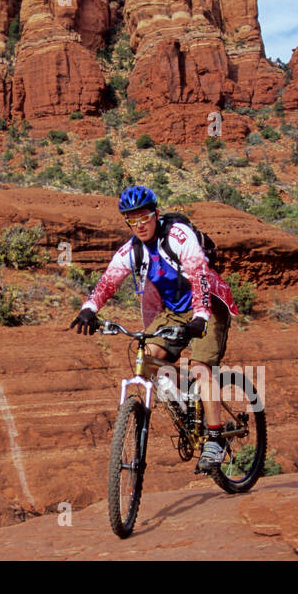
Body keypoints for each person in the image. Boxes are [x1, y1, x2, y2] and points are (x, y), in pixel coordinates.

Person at [69, 185, 238, 473]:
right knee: (147, 354)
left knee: (200, 366)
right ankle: (184, 396)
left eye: (144, 217)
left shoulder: (179, 237)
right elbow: (109, 281)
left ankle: (214, 439)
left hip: (208, 304)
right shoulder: (131, 251)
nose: (139, 225)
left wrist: (200, 316)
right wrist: (90, 308)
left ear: (156, 215)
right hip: (174, 312)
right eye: (131, 220)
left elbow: (199, 276)